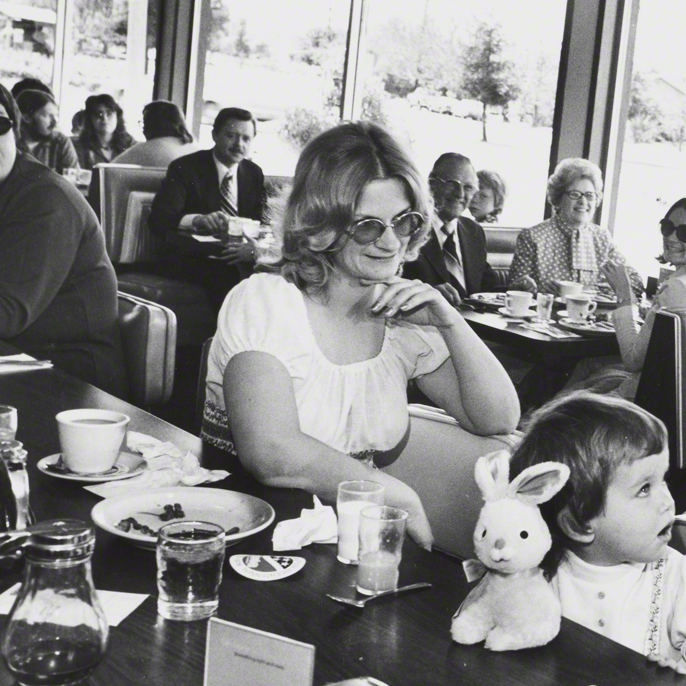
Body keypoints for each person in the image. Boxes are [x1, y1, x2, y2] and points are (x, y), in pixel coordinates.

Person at [203, 122, 520, 550]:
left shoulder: (403, 319)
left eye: (404, 221)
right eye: (368, 226)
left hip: (350, 541)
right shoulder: (266, 302)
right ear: (322, 225)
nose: (391, 242)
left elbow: (497, 418)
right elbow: (272, 453)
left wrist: (451, 322)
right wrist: (397, 493)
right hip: (245, 534)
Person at [512, 392, 686, 686]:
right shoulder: (543, 578)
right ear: (580, 524)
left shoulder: (683, 578)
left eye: (663, 480)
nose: (667, 501)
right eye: (644, 489)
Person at [0, 67, 123, 392]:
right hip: (2, 360)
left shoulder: (44, 197)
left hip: (71, 383)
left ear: (14, 131)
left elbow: (6, 311)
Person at [597, 196, 686, 399]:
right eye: (668, 227)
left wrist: (624, 294)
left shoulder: (678, 287)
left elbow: (632, 360)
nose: (672, 238)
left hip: (648, 400)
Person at [148, 106, 264, 304]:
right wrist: (197, 220)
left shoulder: (253, 173)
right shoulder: (185, 168)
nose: (239, 144)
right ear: (215, 135)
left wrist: (254, 250)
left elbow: (260, 223)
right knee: (231, 276)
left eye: (246, 139)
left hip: (238, 257)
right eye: (231, 136)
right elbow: (159, 218)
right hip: (191, 258)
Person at [507, 158, 640, 297]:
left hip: (590, 316)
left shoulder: (602, 238)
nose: (583, 201)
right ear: (558, 198)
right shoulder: (532, 237)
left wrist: (599, 291)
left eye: (589, 195)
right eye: (574, 194)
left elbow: (635, 283)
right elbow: (515, 289)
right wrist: (538, 290)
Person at [403, 152, 489, 306]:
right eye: (452, 184)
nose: (460, 194)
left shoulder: (473, 231)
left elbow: (488, 288)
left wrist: (514, 290)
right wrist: (426, 293)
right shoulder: (410, 227)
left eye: (468, 187)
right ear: (431, 184)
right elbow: (389, 282)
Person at [14, 88, 77, 175]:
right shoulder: (10, 143)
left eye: (56, 115)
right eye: (48, 115)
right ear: (26, 117)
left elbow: (73, 180)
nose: (55, 122)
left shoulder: (60, 143)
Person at [115, 100, 194, 168]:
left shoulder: (145, 149)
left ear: (152, 125)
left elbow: (110, 171)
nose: (143, 130)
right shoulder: (194, 147)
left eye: (145, 123)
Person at [73, 93, 136, 169]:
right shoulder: (80, 145)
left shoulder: (129, 144)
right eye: (98, 114)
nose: (104, 118)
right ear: (90, 119)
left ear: (117, 117)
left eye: (109, 113)